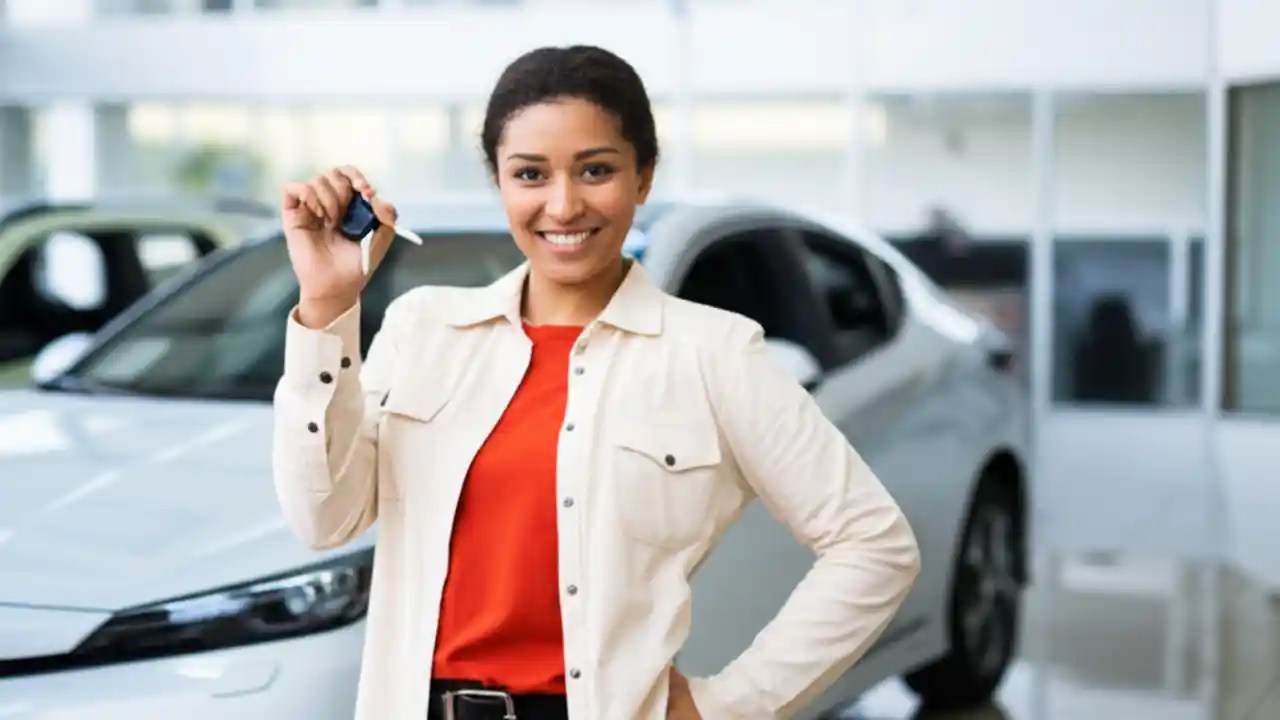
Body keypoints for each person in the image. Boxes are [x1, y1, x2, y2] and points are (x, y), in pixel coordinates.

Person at [272, 44, 920, 720]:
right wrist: (325, 306)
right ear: (499, 182)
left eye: (596, 170)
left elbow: (874, 544)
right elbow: (325, 519)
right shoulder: (424, 329)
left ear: (643, 177)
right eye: (530, 174)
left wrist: (729, 706)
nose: (563, 205)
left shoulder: (715, 353)